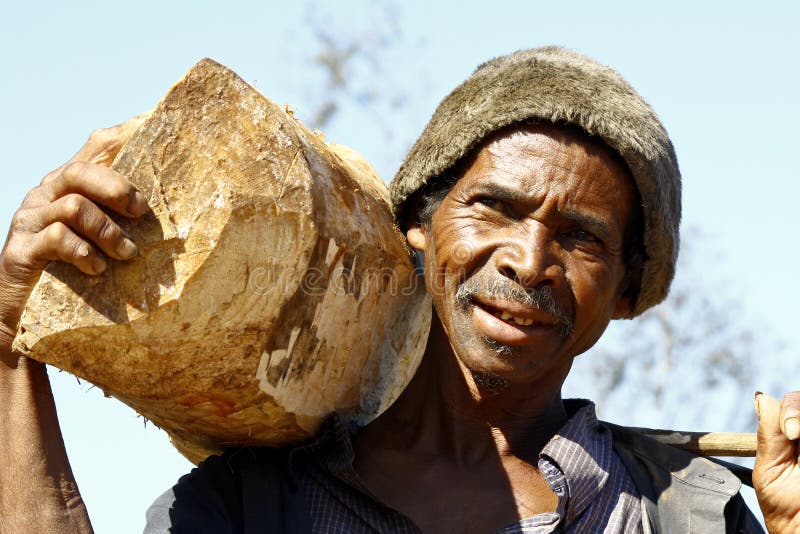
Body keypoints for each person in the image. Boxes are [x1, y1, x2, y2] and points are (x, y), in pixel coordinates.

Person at [1, 46, 799, 533]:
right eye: (495, 207)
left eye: (583, 237)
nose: (530, 260)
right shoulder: (251, 507)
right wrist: (12, 345)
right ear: (418, 223)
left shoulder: (679, 514)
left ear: (626, 288)